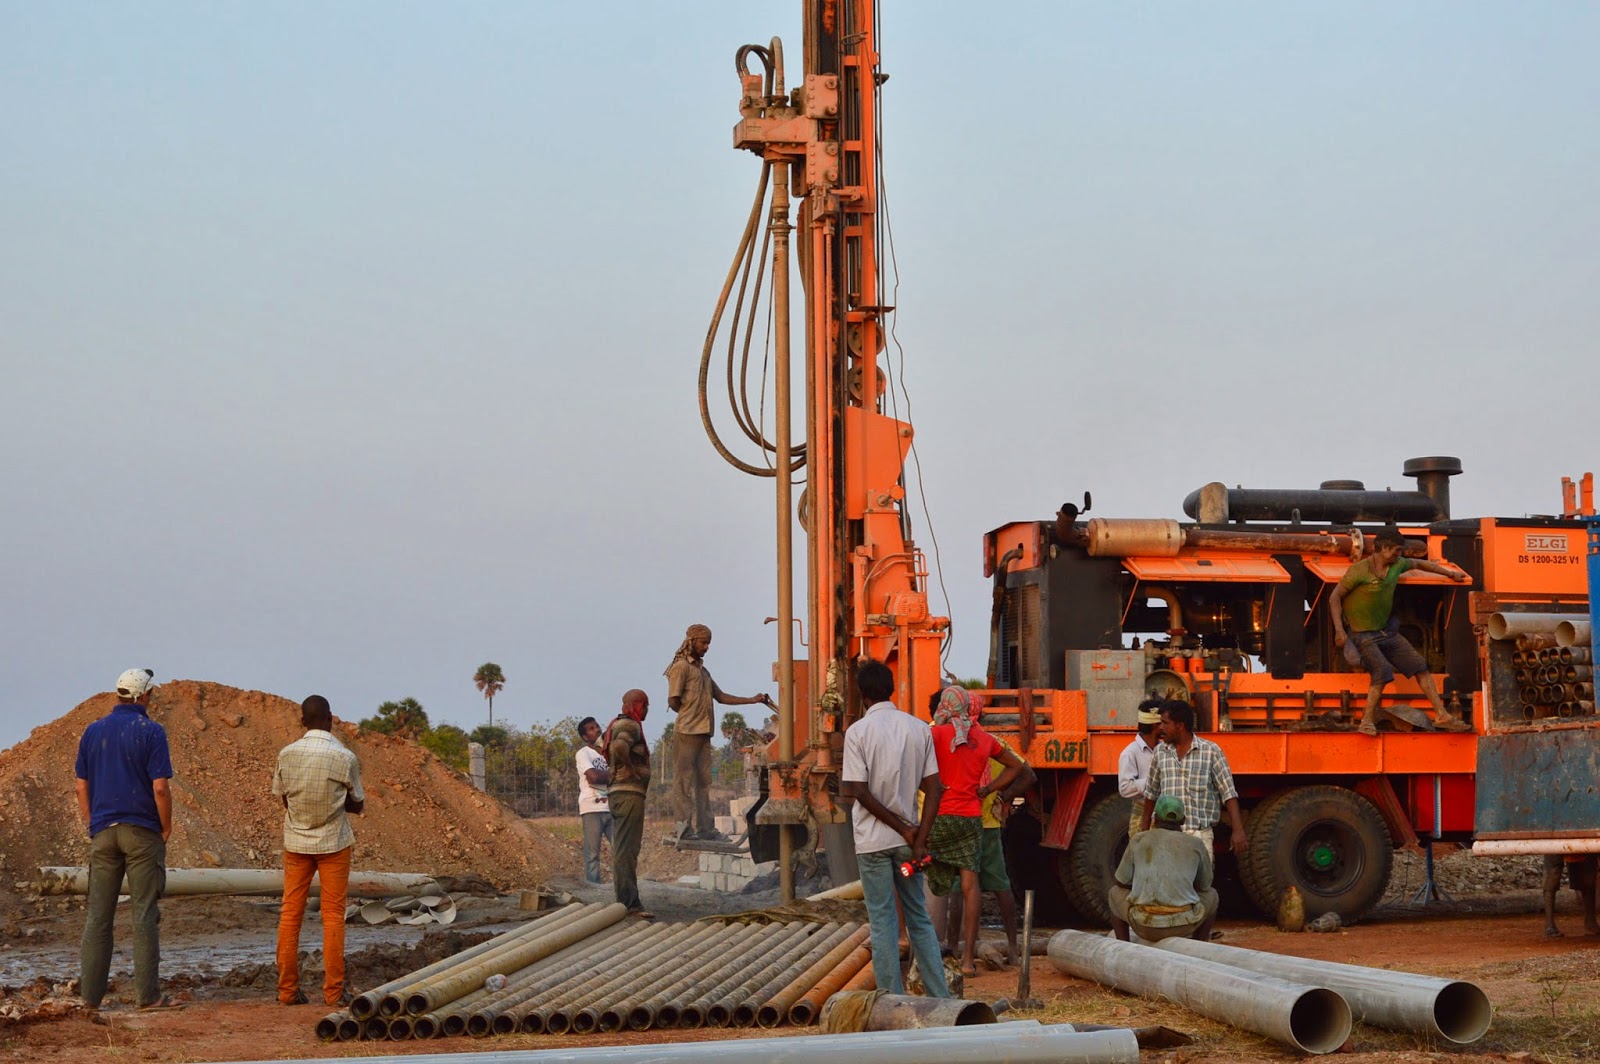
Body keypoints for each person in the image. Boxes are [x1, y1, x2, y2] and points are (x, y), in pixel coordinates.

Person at [839, 661, 951, 998]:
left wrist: (903, 829)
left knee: (883, 921)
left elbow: (857, 790)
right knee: (918, 916)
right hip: (910, 843)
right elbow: (934, 789)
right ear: (892, 689)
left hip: (873, 843)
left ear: (862, 695)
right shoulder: (918, 729)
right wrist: (918, 835)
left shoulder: (857, 732)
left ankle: (891, 999)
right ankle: (939, 996)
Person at [75, 668, 179, 1011]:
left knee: (98, 917)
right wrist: (165, 828)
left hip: (103, 833)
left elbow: (81, 784)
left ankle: (90, 1000)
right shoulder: (151, 731)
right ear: (141, 696)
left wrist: (93, 824)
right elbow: (160, 788)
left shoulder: (92, 731)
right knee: (144, 914)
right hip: (141, 833)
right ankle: (147, 997)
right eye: (151, 692)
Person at [925, 686, 1030, 977]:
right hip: (974, 818)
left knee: (933, 884)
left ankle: (938, 947)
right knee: (977, 888)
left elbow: (913, 763)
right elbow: (1020, 768)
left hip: (941, 817)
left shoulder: (935, 735)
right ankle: (969, 958)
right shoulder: (985, 739)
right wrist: (989, 791)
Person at [1329, 528, 1472, 736]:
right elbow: (1334, 598)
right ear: (1384, 548)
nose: (1399, 554)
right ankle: (1366, 721)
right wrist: (1339, 631)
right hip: (1362, 634)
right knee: (1382, 672)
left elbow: (1420, 564)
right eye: (1396, 550)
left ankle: (1442, 716)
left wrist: (1450, 573)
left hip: (1386, 630)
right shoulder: (1360, 571)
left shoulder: (1397, 565)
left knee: (1420, 666)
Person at [273, 694, 364, 1007]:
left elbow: (283, 796)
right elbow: (358, 802)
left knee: (290, 913)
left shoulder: (287, 754)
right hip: (333, 843)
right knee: (333, 916)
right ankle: (334, 992)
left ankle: (287, 991)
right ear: (331, 719)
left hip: (296, 843)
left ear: (302, 721)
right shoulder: (344, 757)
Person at [664, 624, 774, 841]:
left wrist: (753, 699)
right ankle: (683, 829)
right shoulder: (681, 668)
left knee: (704, 782)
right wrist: (689, 714)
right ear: (692, 641)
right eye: (703, 642)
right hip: (687, 732)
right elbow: (673, 700)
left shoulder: (703, 672)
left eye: (708, 643)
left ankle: (705, 829)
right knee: (683, 782)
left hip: (704, 733)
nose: (706, 647)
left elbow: (721, 697)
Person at [1139, 699, 1247, 863]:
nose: (1160, 728)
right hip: (1167, 837)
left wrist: (1238, 830)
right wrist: (1143, 833)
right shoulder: (1160, 752)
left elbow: (1228, 793)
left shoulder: (1211, 751)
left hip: (1200, 837)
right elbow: (1151, 794)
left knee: (1201, 888)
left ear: (1180, 726)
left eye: (1165, 723)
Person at [1109, 795, 1219, 943]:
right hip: (1183, 926)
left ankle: (1123, 947)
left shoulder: (1138, 839)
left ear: (1155, 818)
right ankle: (1197, 945)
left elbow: (1121, 881)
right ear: (1183, 820)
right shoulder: (1196, 844)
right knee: (1212, 895)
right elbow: (1204, 885)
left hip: (1144, 926)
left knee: (1113, 893)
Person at [605, 689, 652, 917]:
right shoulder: (630, 726)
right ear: (637, 705)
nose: (646, 711)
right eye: (645, 706)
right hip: (628, 794)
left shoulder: (617, 724)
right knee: (626, 850)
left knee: (623, 848)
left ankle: (626, 900)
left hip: (618, 794)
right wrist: (633, 770)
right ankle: (629, 904)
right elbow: (619, 747)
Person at [575, 717, 612, 886]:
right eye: (591, 729)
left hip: (611, 806)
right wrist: (615, 775)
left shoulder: (608, 753)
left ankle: (622, 886)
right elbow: (593, 777)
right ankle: (594, 888)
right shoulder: (583, 753)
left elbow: (599, 776)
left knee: (620, 849)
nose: (596, 730)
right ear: (585, 737)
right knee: (593, 854)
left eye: (597, 726)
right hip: (592, 806)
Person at [1118, 699, 1163, 837]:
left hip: (1164, 815)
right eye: (1163, 723)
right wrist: (1153, 782)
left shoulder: (1165, 749)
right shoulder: (1130, 753)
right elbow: (1125, 788)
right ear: (1156, 726)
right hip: (1142, 813)